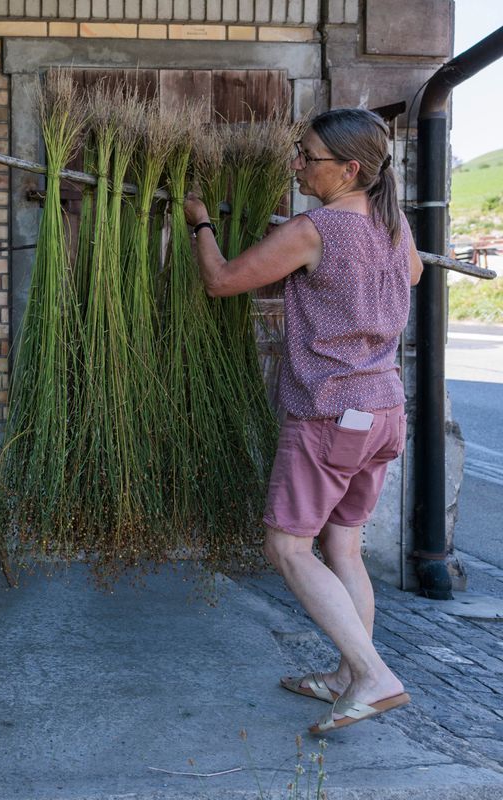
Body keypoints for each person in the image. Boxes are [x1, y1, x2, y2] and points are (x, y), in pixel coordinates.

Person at [184, 108, 424, 734]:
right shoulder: (395, 227)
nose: (296, 164)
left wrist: (200, 222)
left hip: (329, 413)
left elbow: (221, 281)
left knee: (287, 546)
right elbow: (416, 273)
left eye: (307, 156)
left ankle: (373, 676)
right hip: (384, 410)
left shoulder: (315, 229)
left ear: (349, 169)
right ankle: (349, 675)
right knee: (342, 543)